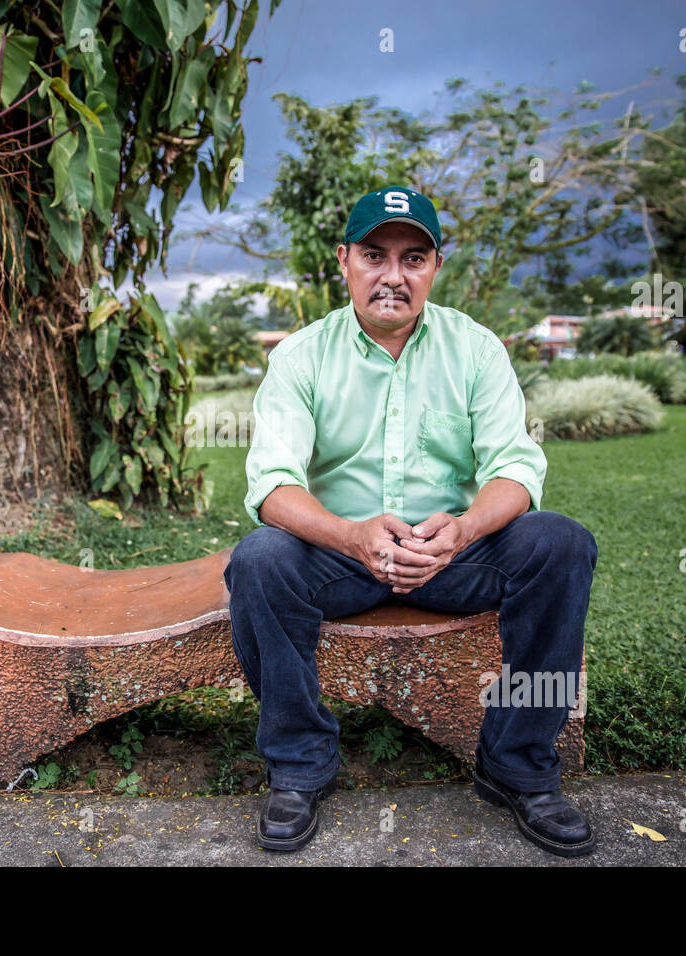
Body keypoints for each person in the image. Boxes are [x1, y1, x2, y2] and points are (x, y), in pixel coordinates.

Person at [226, 185, 598, 857]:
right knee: (258, 557)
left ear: (435, 267)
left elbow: (517, 467)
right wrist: (351, 534)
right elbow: (272, 485)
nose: (392, 275)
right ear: (343, 261)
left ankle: (517, 766)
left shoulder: (475, 349)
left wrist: (464, 529)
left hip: (452, 554)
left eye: (413, 257)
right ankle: (300, 764)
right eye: (374, 255)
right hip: (344, 557)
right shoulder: (302, 355)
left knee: (560, 543)